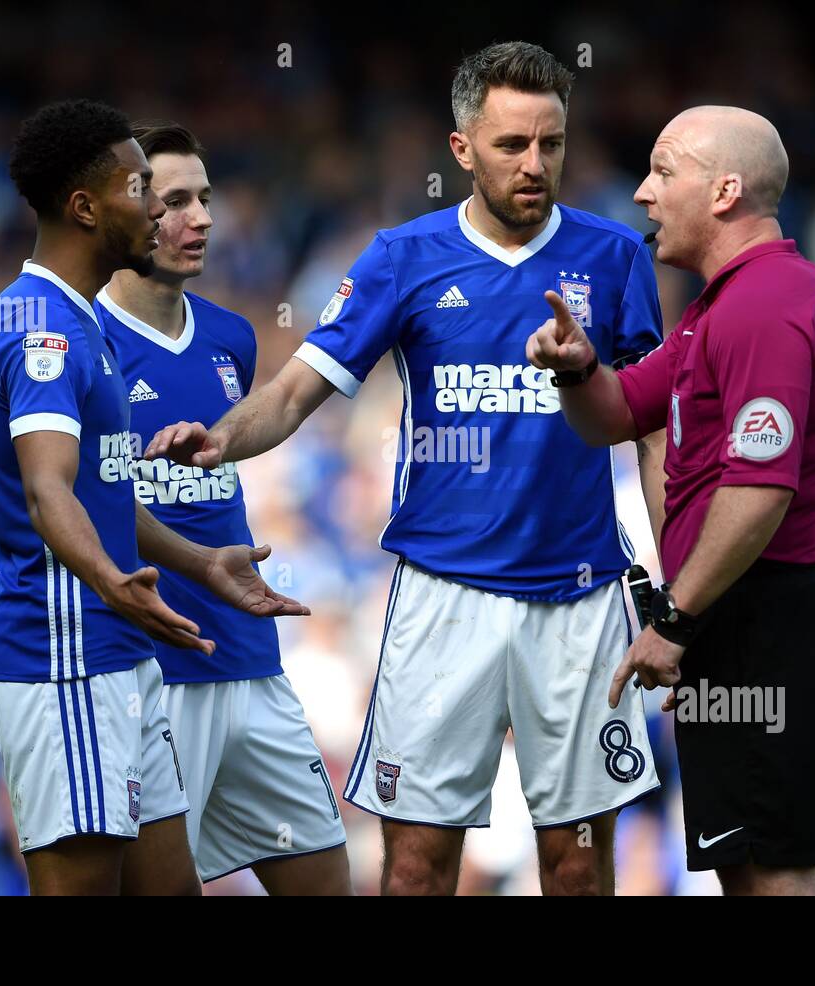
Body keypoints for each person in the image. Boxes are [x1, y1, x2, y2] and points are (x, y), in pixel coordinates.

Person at [145, 42, 665, 896]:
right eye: (511, 145)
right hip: (442, 598)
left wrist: (672, 588)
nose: (535, 165)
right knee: (418, 864)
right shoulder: (403, 257)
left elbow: (651, 434)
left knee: (576, 865)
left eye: (552, 143)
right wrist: (221, 437)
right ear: (462, 149)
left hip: (580, 599)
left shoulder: (615, 258)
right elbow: (292, 394)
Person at [526, 105, 815, 896]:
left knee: (769, 880)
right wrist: (579, 366)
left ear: (724, 191)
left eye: (663, 170)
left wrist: (674, 620)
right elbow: (614, 416)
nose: (644, 193)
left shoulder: (762, 303)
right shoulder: (725, 306)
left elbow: (760, 489)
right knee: (814, 870)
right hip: (788, 617)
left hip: (764, 620)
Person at [0, 100, 307, 895]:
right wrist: (114, 584)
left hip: (121, 661)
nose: (158, 207)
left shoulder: (81, 322)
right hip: (63, 662)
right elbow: (50, 495)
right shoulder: (41, 330)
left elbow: (102, 492)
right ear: (85, 206)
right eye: (141, 188)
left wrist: (198, 561)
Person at [96, 121, 350, 894]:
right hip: (153, 676)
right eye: (174, 201)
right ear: (119, 211)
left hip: (252, 663)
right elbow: (74, 503)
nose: (200, 218)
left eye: (205, 199)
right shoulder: (82, 342)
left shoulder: (233, 339)